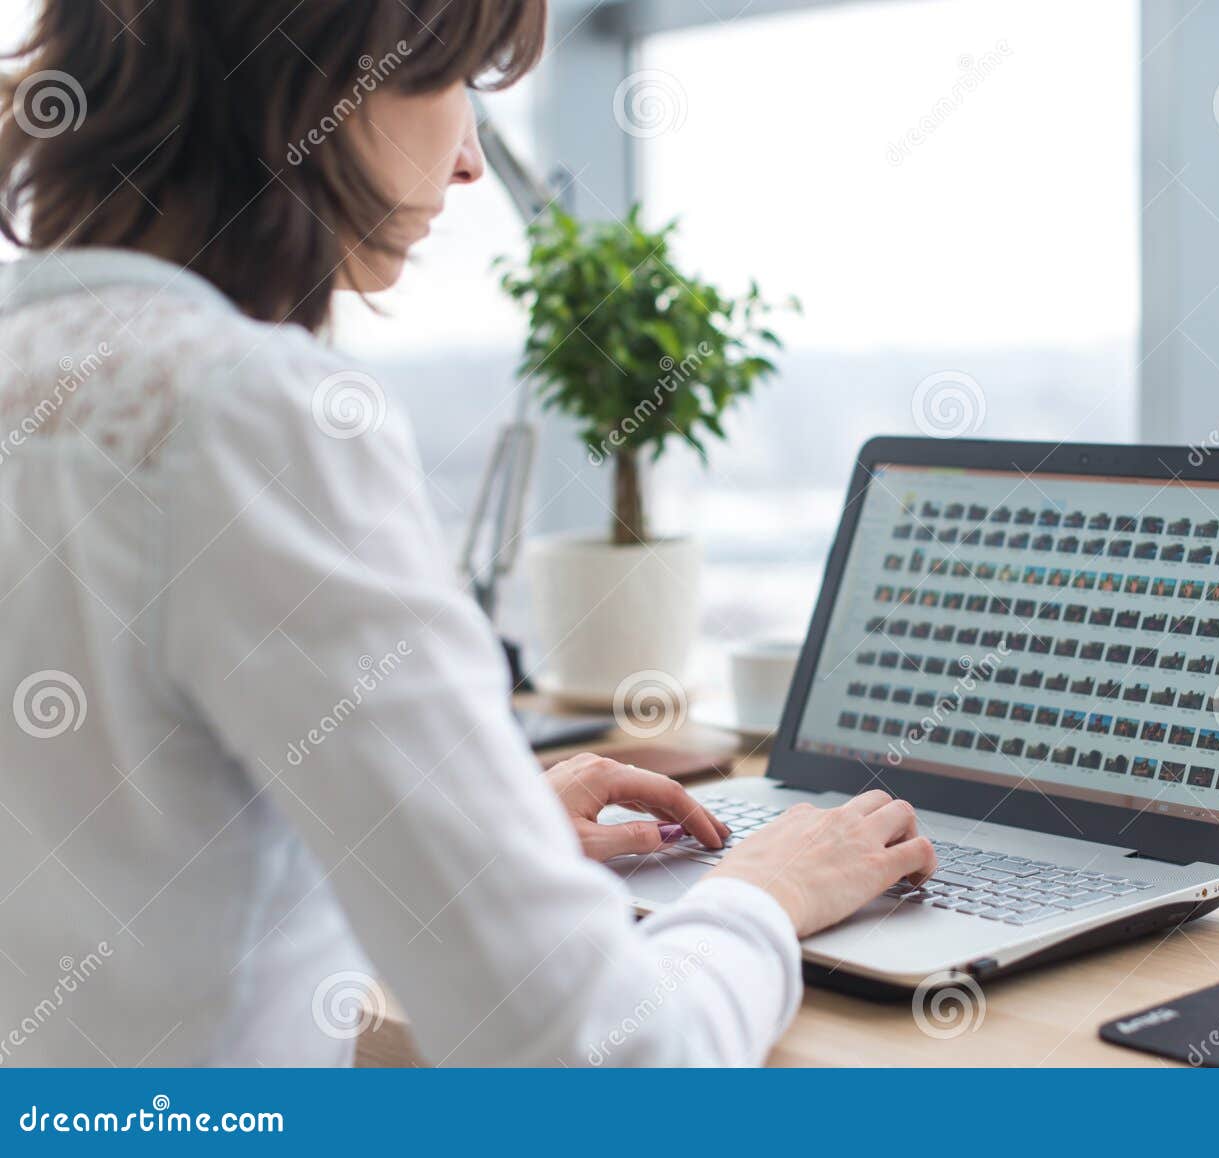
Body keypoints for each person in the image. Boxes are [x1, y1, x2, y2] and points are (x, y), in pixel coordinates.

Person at [0, 0, 934, 1066]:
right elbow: (604, 1071)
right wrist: (765, 893)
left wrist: (484, 831)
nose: (472, 164)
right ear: (320, 78)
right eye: (456, 83)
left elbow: (139, 848)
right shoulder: (247, 416)